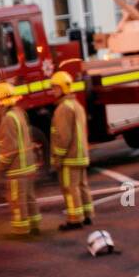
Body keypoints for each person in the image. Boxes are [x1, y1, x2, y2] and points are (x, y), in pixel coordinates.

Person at [0, 81, 40, 237]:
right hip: (28, 167)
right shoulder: (19, 113)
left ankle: (21, 230)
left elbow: (8, 150)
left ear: (2, 100)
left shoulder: (7, 119)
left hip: (16, 169)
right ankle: (34, 226)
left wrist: (1, 167)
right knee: (29, 198)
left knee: (17, 200)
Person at [48, 72, 92, 231]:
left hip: (69, 158)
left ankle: (75, 220)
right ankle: (87, 215)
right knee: (82, 186)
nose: (53, 90)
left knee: (70, 188)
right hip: (80, 155)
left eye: (55, 87)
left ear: (64, 88)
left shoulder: (62, 109)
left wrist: (57, 157)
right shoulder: (77, 105)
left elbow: (63, 137)